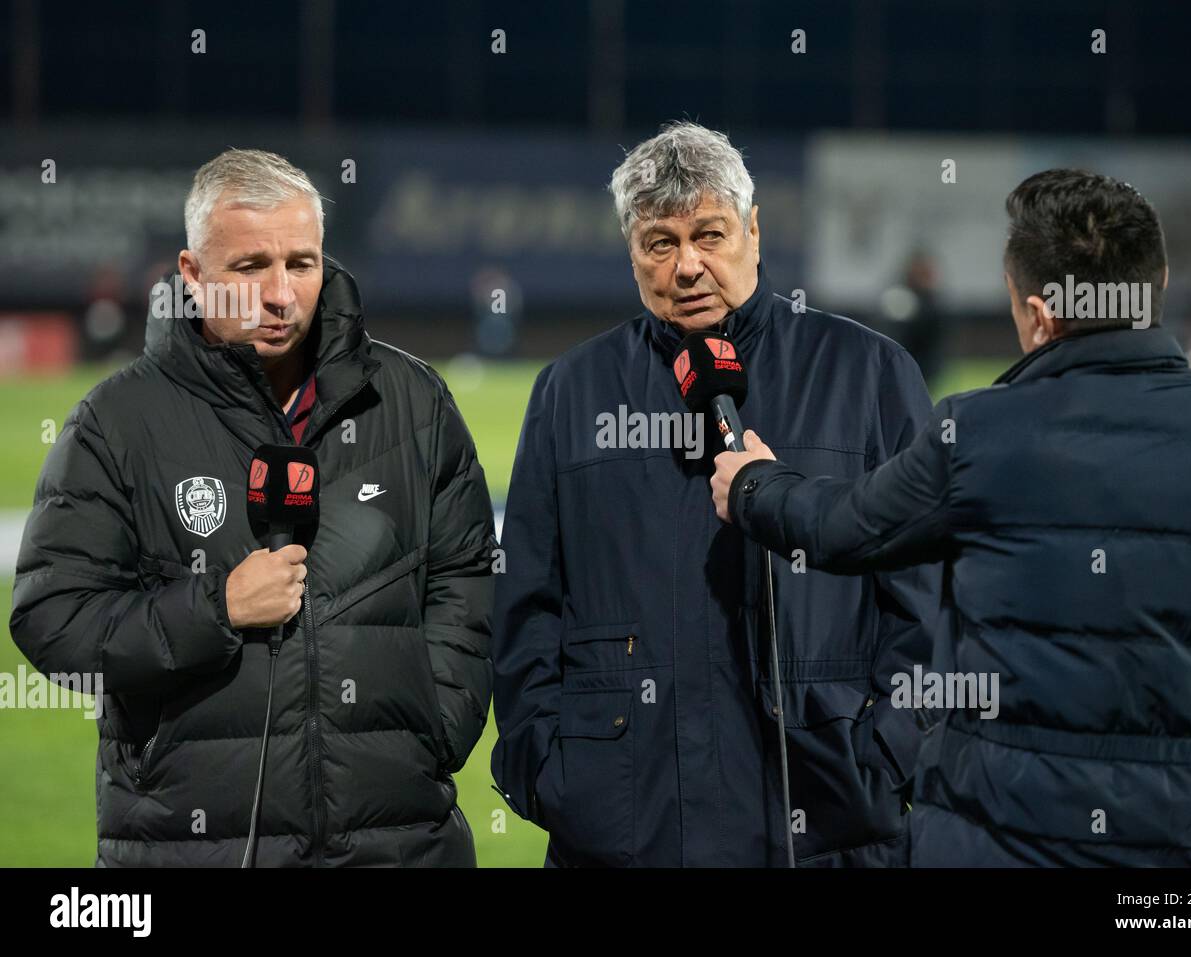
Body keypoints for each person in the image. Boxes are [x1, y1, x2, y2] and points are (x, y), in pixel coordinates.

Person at [712, 169, 1191, 866]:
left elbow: (844, 526)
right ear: (1160, 283)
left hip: (1006, 844)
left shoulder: (978, 436)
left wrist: (754, 485)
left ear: (1035, 312)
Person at [10, 149, 496, 867]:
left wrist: (431, 730)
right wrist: (214, 608)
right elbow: (52, 617)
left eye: (301, 264)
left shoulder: (412, 401)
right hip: (190, 843)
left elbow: (465, 574)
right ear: (192, 274)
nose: (279, 294)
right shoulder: (118, 422)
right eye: (249, 268)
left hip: (396, 840)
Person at [490, 121, 941, 867]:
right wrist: (553, 776)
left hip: (829, 832)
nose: (689, 266)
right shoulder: (570, 391)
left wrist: (884, 758)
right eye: (659, 243)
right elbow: (526, 607)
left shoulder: (868, 375)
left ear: (754, 232)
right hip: (625, 837)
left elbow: (929, 599)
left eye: (710, 234)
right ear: (632, 252)